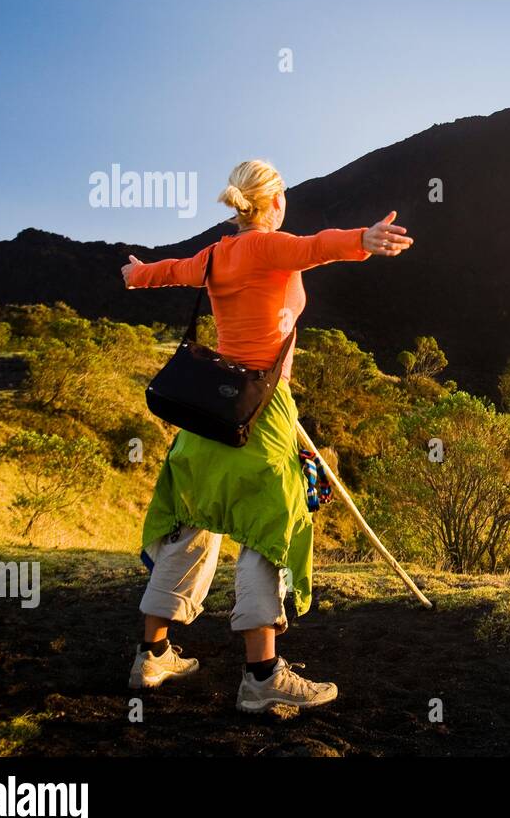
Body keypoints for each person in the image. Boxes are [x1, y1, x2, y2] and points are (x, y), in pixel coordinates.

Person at [120, 159, 413, 712]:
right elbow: (315, 248)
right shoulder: (265, 246)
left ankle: (151, 655)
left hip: (210, 411)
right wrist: (364, 239)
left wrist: (137, 273)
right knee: (267, 530)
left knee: (192, 525)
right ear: (274, 201)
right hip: (260, 412)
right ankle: (262, 677)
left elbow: (169, 270)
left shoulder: (215, 254)